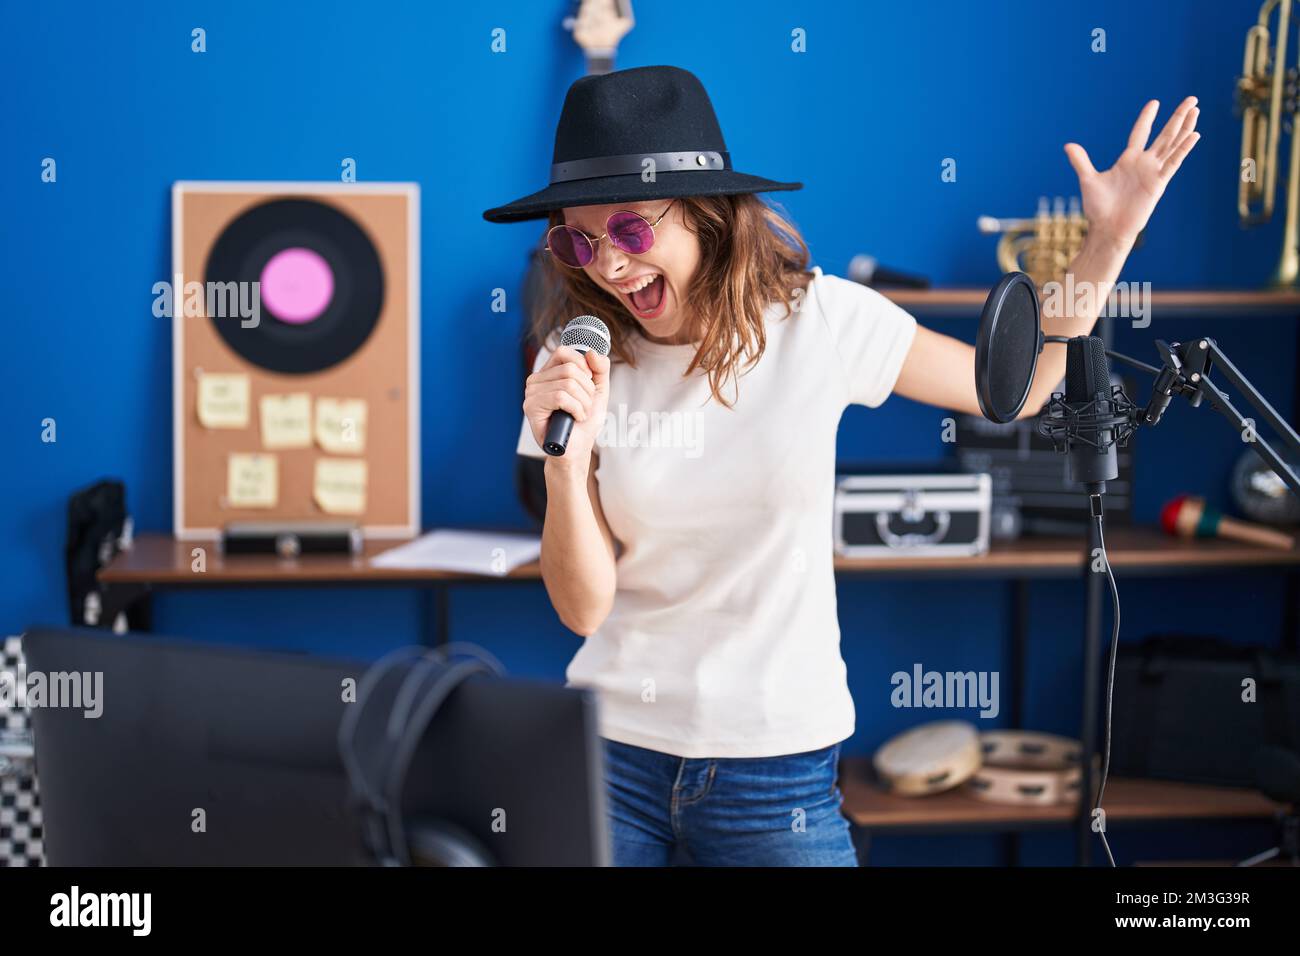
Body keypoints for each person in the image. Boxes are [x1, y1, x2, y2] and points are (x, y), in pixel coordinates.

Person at [484, 65, 1199, 866]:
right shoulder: (576, 360)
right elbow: (584, 611)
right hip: (611, 748)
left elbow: (1021, 389)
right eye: (576, 239)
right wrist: (564, 465)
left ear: (707, 216)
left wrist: (1111, 237)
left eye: (631, 231)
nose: (606, 265)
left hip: (774, 767)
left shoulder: (820, 321)